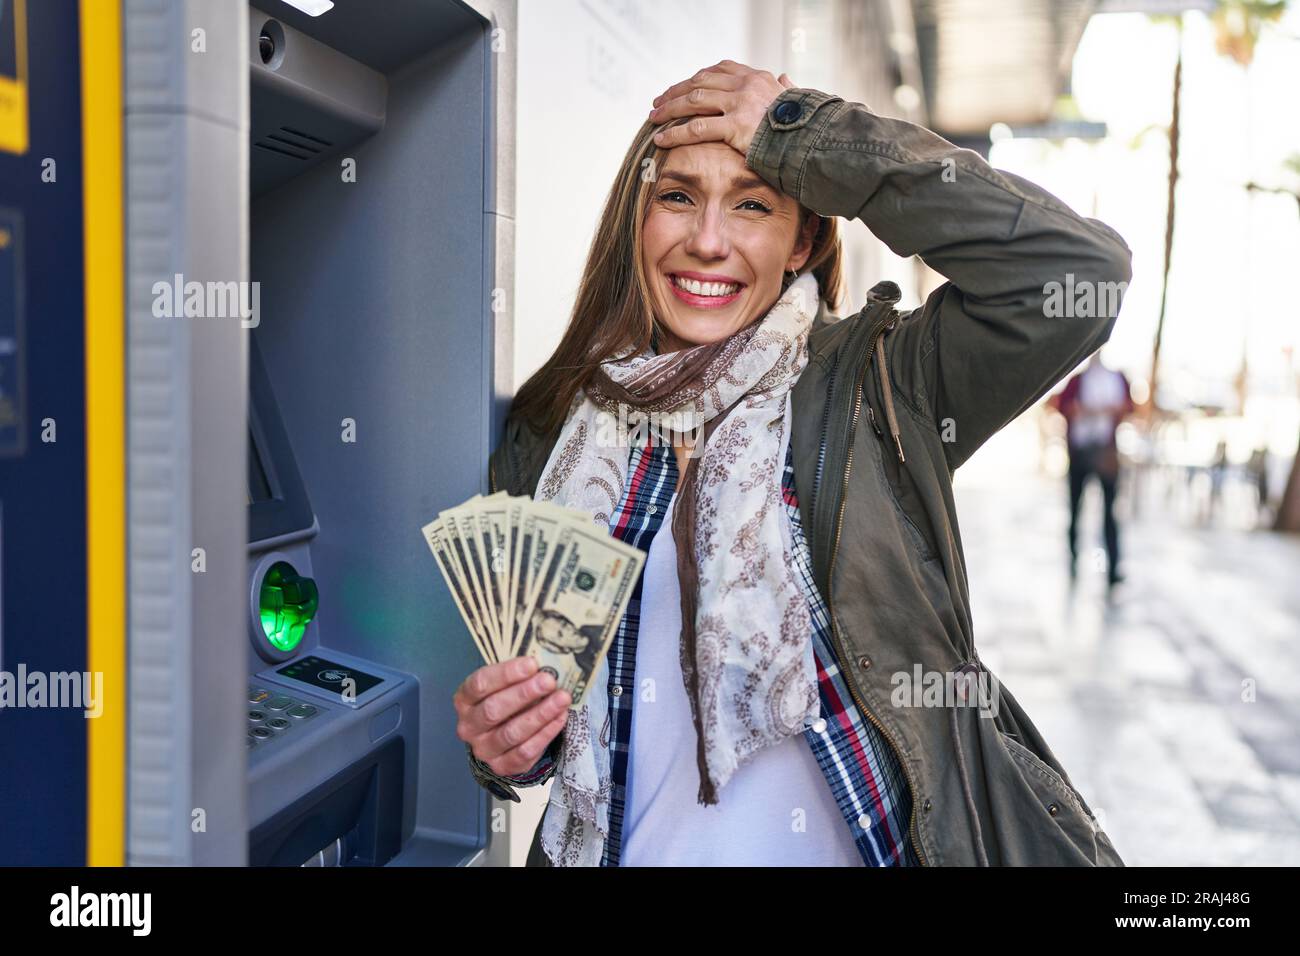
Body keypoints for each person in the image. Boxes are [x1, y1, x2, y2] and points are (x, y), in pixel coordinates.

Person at [454, 61, 1131, 867]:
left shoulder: (882, 386)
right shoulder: (552, 430)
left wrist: (809, 135)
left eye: (752, 203)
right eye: (676, 197)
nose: (708, 240)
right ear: (636, 221)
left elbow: (1077, 273)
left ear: (803, 238)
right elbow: (545, 722)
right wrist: (505, 745)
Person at [1048, 352, 1135, 586]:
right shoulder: (1078, 381)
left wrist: (1109, 410)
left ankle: (1112, 568)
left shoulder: (1115, 378)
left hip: (1106, 452)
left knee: (1109, 512)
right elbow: (1060, 405)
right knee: (1076, 510)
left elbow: (1129, 407)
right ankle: (1074, 561)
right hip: (1081, 453)